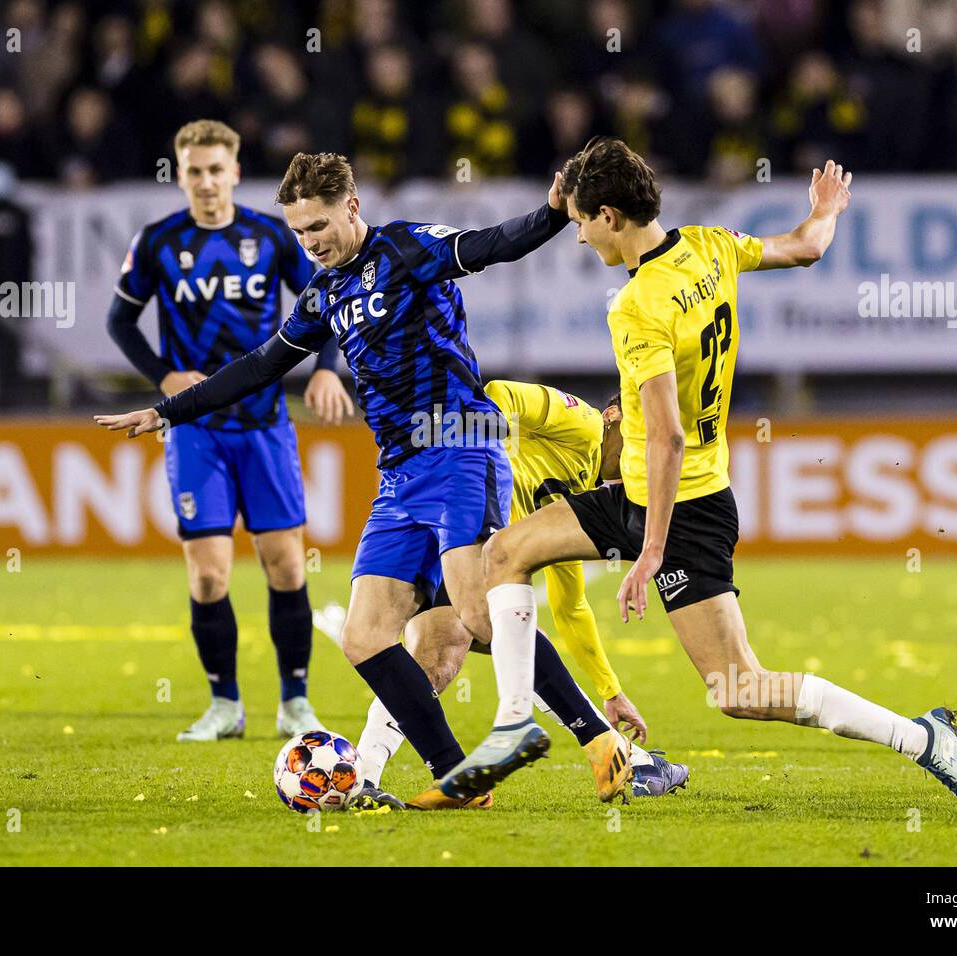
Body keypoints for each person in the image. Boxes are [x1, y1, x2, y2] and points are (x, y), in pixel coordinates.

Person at [437, 138, 957, 820]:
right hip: (642, 495)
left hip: (683, 508)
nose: (577, 237)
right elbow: (805, 248)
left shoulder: (638, 305)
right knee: (505, 554)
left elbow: (666, 435)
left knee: (739, 689)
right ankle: (516, 719)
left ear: (610, 216)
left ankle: (921, 737)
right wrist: (826, 210)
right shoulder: (709, 244)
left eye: (580, 221)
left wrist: (650, 552)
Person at [97, 152, 630, 809]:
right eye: (298, 232)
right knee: (365, 637)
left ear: (352, 206)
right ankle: (458, 778)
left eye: (318, 226)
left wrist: (551, 215)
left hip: (461, 447)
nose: (310, 243)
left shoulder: (406, 247)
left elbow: (492, 245)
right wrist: (166, 409)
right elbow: (260, 366)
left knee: (477, 614)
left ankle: (599, 741)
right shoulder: (325, 294)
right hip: (401, 476)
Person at [105, 120, 353, 743]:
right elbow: (120, 321)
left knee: (286, 569)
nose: (207, 182)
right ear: (181, 173)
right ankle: (225, 705)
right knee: (209, 576)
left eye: (217, 170)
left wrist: (327, 370)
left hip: (264, 424)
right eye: (195, 171)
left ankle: (294, 701)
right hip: (195, 432)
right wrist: (163, 376)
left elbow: (327, 300)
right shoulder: (159, 241)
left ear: (235, 172)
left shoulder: (270, 234)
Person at [352, 380, 690, 808]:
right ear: (614, 417)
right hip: (459, 522)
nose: (643, 453)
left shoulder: (582, 497)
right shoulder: (582, 422)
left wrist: (610, 689)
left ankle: (366, 773)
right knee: (443, 642)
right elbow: (499, 393)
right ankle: (619, 754)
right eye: (640, 437)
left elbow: (571, 604)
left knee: (438, 655)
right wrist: (474, 465)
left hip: (466, 542)